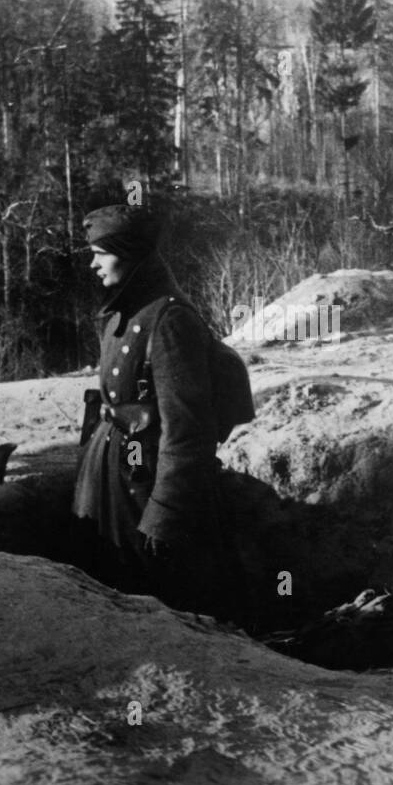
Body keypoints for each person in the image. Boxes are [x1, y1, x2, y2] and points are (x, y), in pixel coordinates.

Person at [69, 202, 236, 618]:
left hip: (144, 485)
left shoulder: (170, 320)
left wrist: (165, 514)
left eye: (99, 254)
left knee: (159, 599)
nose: (92, 265)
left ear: (127, 253)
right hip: (111, 471)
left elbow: (188, 430)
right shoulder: (120, 314)